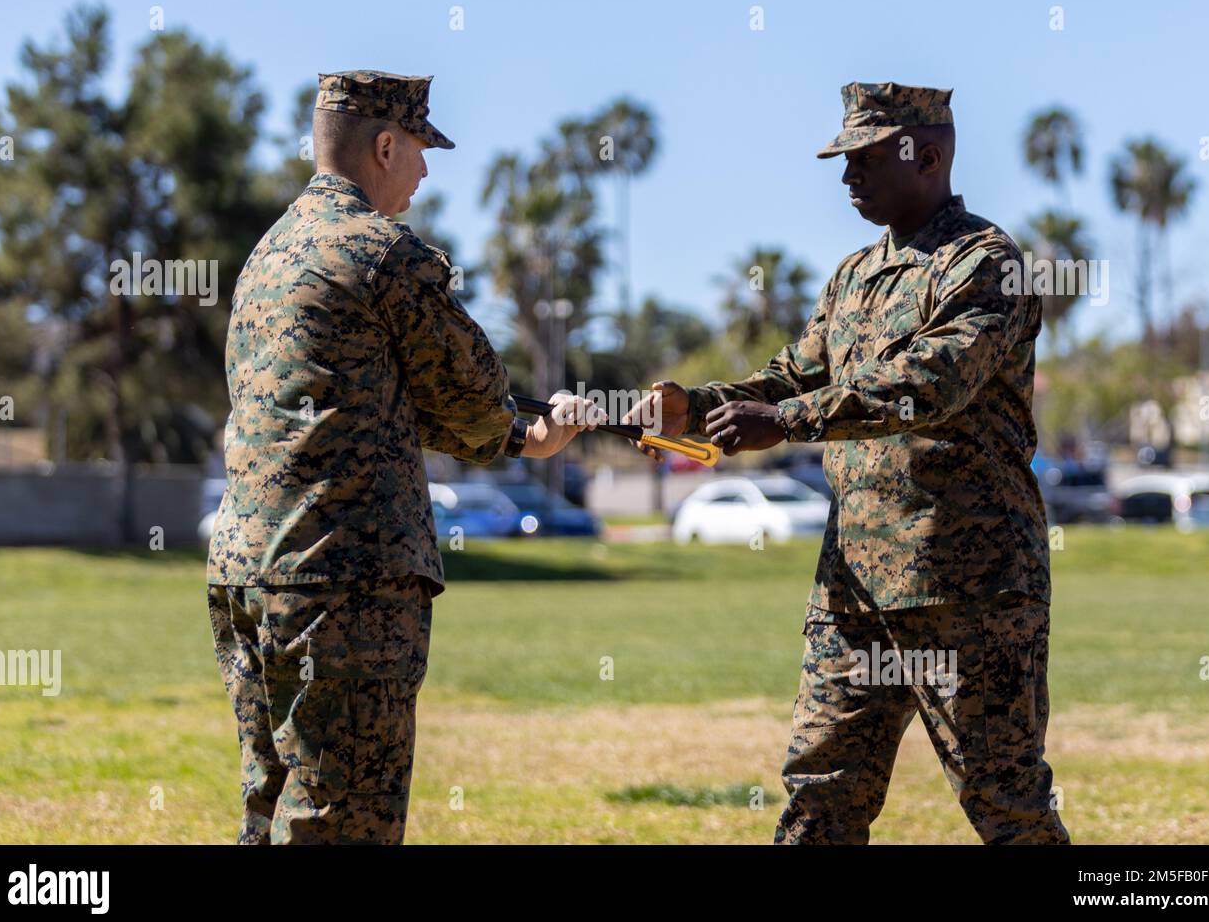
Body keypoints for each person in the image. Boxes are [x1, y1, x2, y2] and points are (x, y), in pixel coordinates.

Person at [626, 82, 1069, 844]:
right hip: (854, 589)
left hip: (967, 588)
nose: (846, 178)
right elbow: (793, 376)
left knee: (1005, 801)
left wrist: (789, 421)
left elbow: (930, 383)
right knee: (820, 796)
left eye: (864, 160)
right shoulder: (853, 276)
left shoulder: (988, 264)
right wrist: (691, 407)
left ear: (927, 158)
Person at [206, 70, 602, 844]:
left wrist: (511, 430)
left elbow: (357, 402)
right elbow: (475, 397)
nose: (423, 171)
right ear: (384, 145)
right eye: (420, 149)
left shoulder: (268, 255)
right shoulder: (382, 253)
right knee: (342, 822)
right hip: (341, 582)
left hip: (247, 572)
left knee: (275, 807)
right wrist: (529, 433)